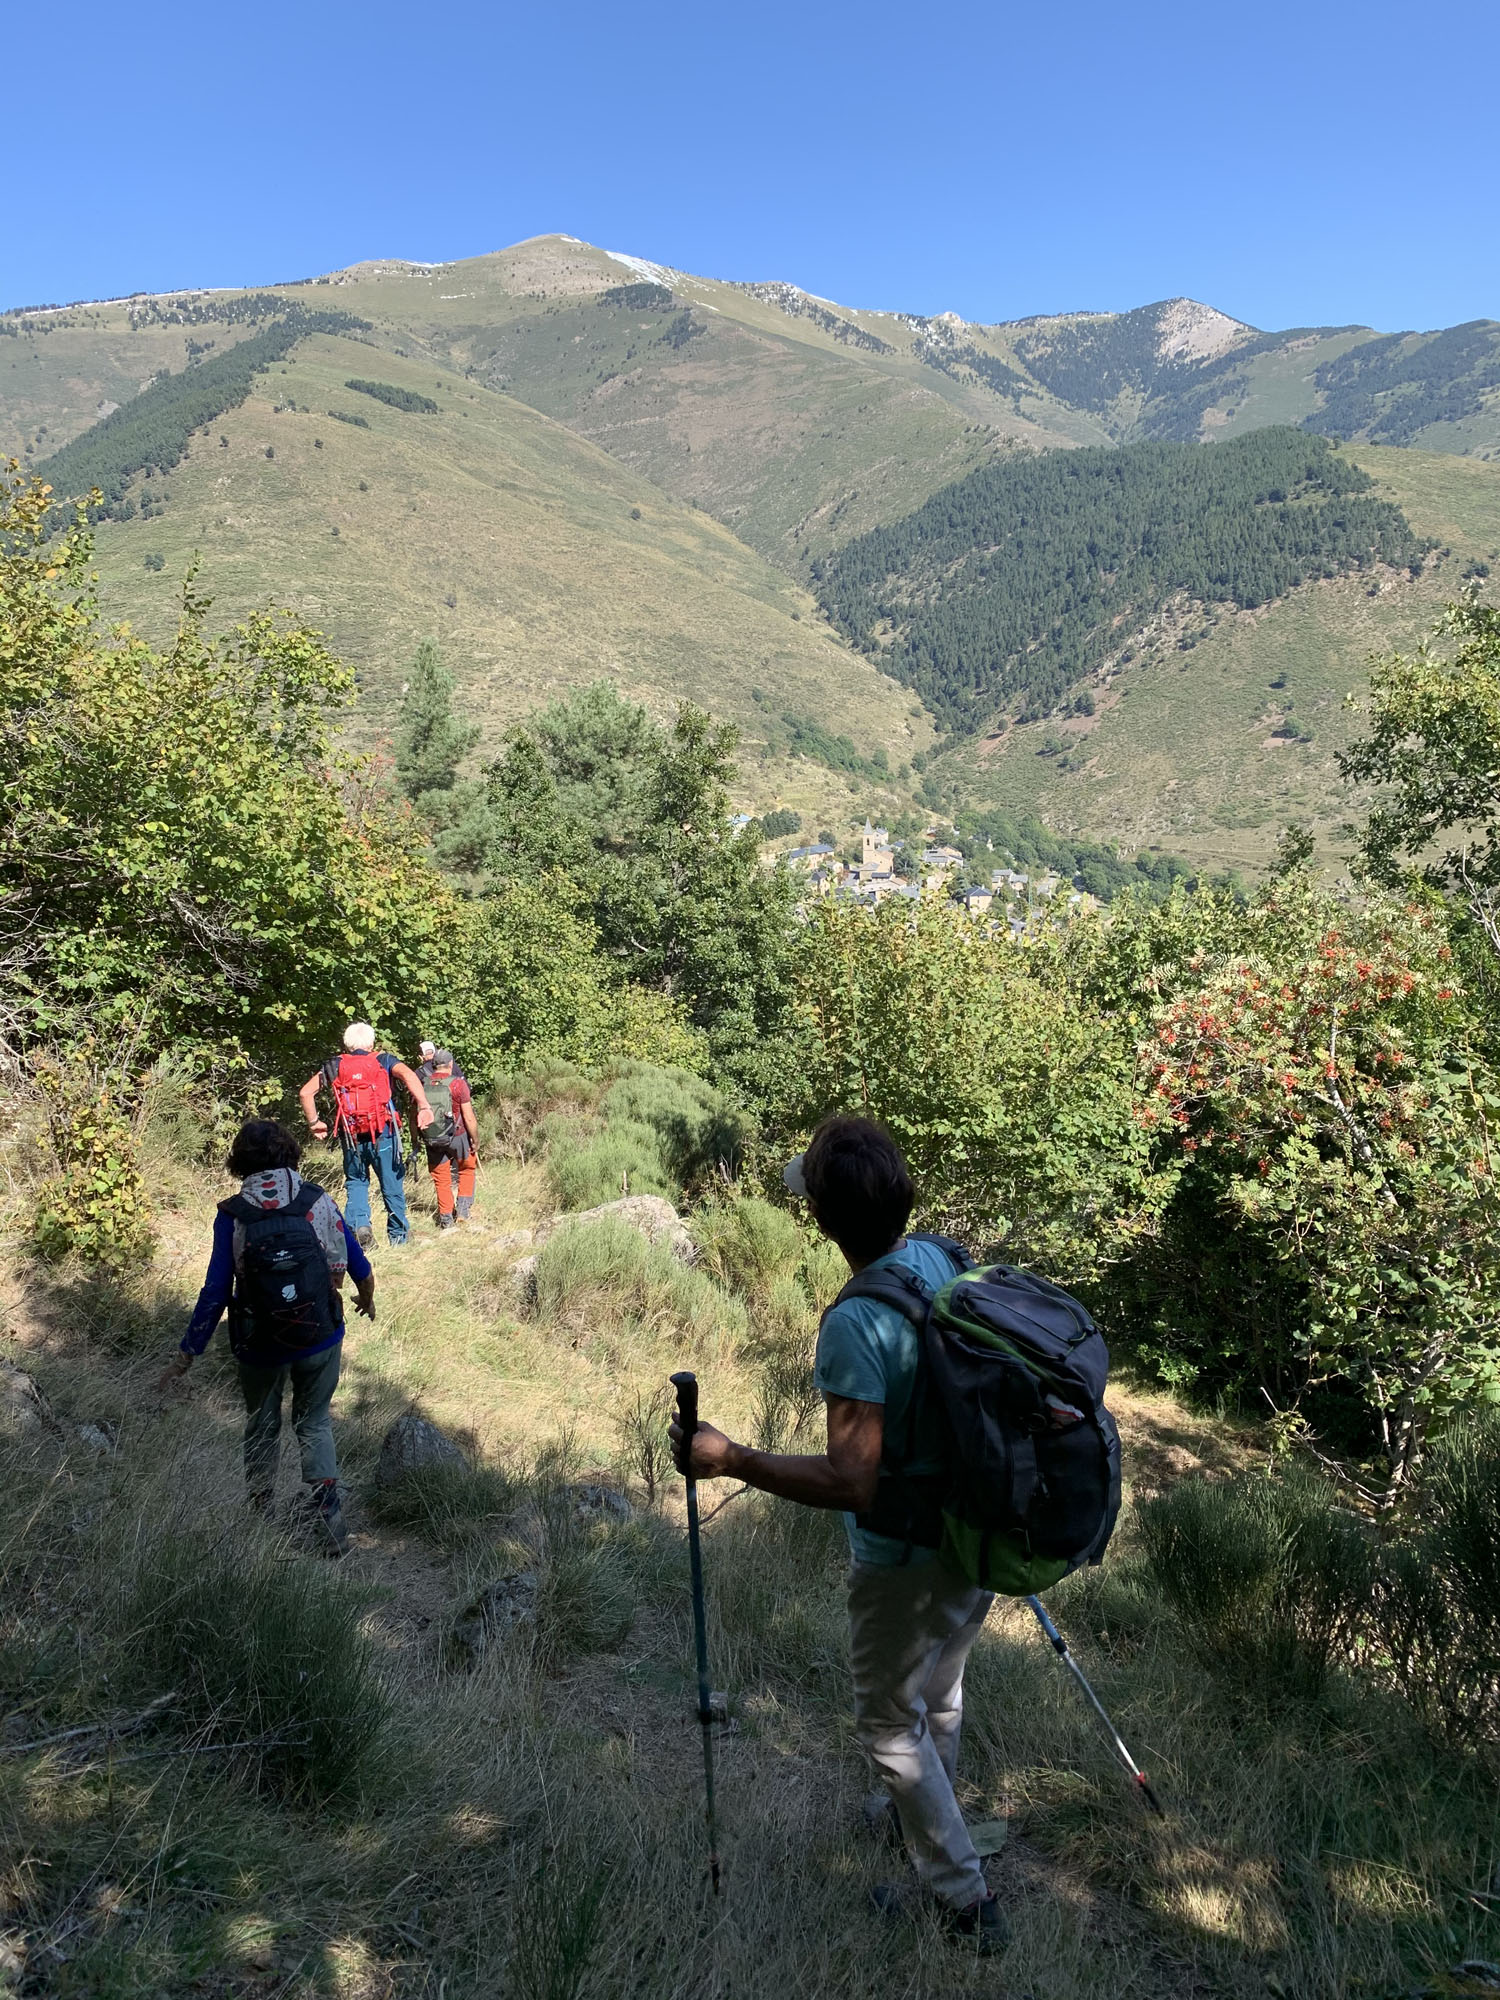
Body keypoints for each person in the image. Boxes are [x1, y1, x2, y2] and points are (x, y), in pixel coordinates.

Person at [670, 1114, 1009, 1954]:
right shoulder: (937, 1256)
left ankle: (964, 1904)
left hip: (905, 1555)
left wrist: (734, 1458)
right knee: (938, 1694)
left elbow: (853, 1479)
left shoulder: (856, 1322)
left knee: (889, 1724)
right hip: (977, 1526)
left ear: (821, 1220)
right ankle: (920, 1821)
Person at [156, 1118, 374, 1555]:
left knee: (261, 1423)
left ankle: (260, 1521)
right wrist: (365, 1300)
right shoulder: (317, 1200)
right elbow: (359, 1264)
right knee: (314, 1420)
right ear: (290, 1152)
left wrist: (187, 1353)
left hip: (260, 1343)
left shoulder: (233, 1215)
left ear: (240, 1163)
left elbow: (216, 1290)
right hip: (319, 1334)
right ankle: (330, 1522)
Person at [298, 1023, 431, 1247]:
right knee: (391, 1185)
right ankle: (398, 1238)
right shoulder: (383, 1060)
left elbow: (305, 1092)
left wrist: (315, 1123)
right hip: (384, 1135)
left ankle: (360, 1225)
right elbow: (408, 1075)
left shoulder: (336, 1064)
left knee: (356, 1182)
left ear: (347, 1044)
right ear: (371, 1043)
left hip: (351, 1137)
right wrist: (424, 1106)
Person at [422, 1048, 479, 1229]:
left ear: (433, 1065)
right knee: (466, 1169)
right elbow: (468, 1117)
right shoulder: (458, 1085)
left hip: (432, 1136)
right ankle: (463, 1212)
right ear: (451, 1064)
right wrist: (475, 1139)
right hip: (459, 1135)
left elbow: (413, 1114)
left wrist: (417, 1137)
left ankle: (446, 1219)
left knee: (441, 1177)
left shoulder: (423, 1084)